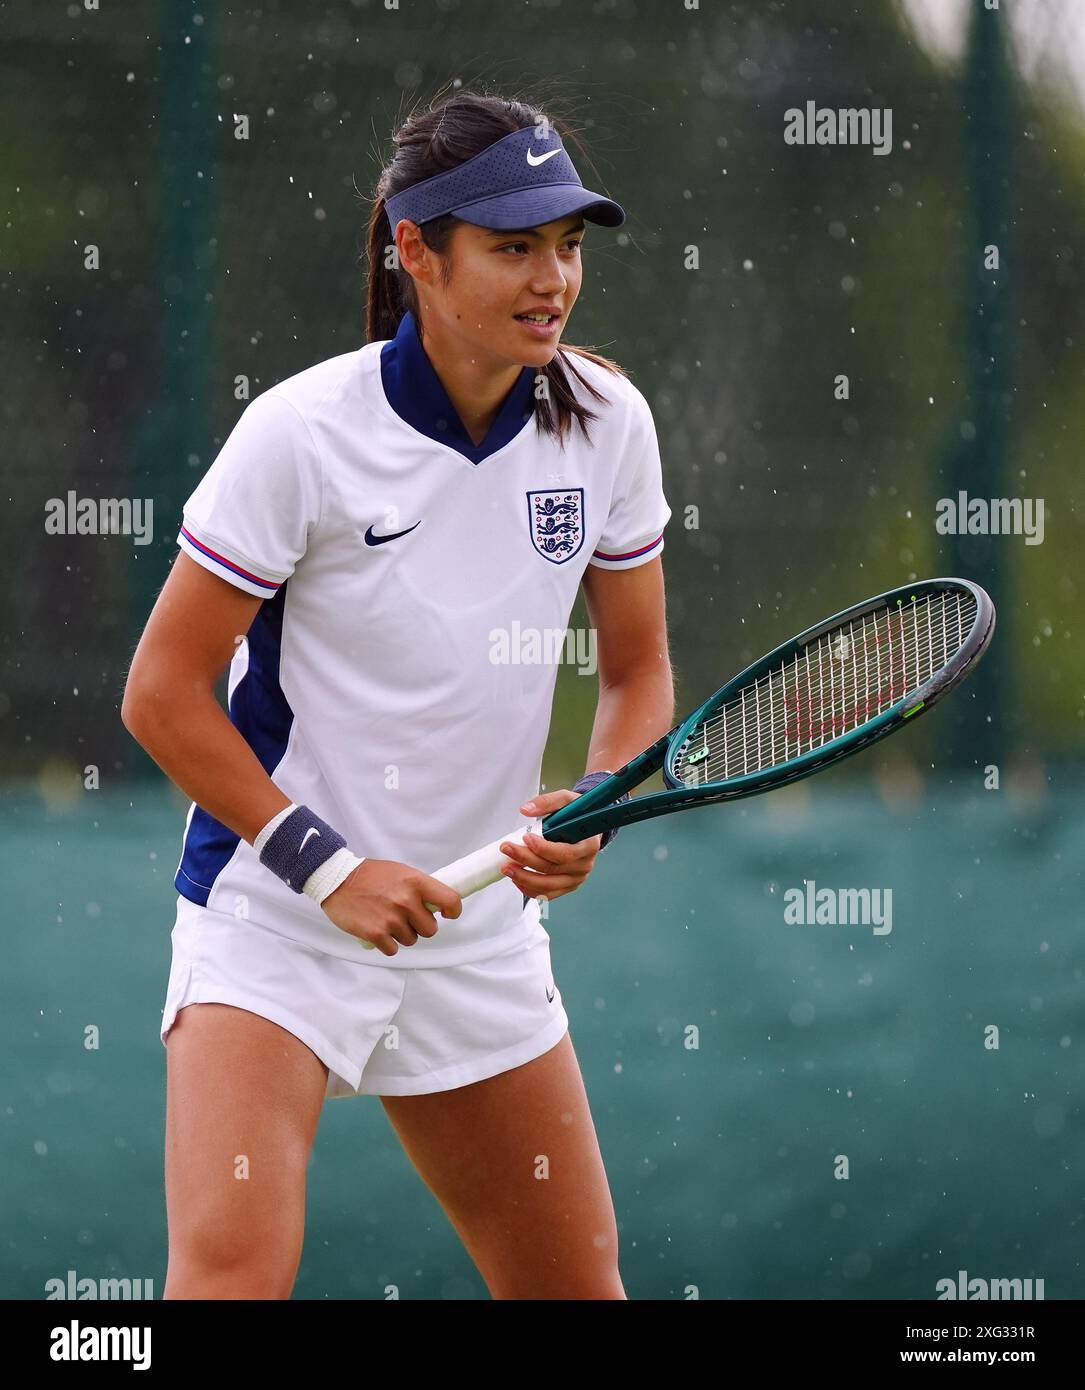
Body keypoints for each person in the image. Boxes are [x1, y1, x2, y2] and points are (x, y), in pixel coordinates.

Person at [122, 88, 674, 1301]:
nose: (553, 279)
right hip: (274, 914)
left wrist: (595, 803)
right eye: (514, 246)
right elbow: (160, 695)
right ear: (415, 251)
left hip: (474, 932)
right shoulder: (299, 436)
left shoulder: (608, 425)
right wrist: (330, 869)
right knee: (227, 1277)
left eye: (569, 245)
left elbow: (635, 672)